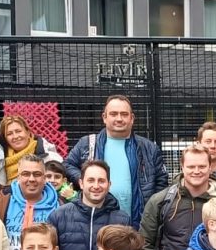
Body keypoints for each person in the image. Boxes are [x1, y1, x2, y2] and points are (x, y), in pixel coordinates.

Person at [63, 95, 169, 228]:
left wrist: (152, 211)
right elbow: (67, 165)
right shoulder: (87, 144)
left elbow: (161, 182)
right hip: (97, 222)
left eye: (124, 114)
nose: (119, 119)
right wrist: (87, 180)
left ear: (132, 118)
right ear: (104, 117)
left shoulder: (148, 148)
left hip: (138, 223)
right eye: (113, 114)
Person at [141, 145, 216, 250]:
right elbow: (144, 243)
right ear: (182, 167)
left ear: (210, 167)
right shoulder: (160, 201)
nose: (196, 171)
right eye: (191, 167)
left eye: (202, 166)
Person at [0, 153, 59, 247]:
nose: (31, 179)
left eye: (37, 174)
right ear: (18, 177)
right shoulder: (2, 199)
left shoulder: (60, 205)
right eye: (26, 174)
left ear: (44, 178)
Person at [0, 114, 63, 189]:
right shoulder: (0, 160)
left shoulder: (49, 157)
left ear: (28, 132)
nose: (15, 136)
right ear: (5, 138)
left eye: (18, 131)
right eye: (9, 134)